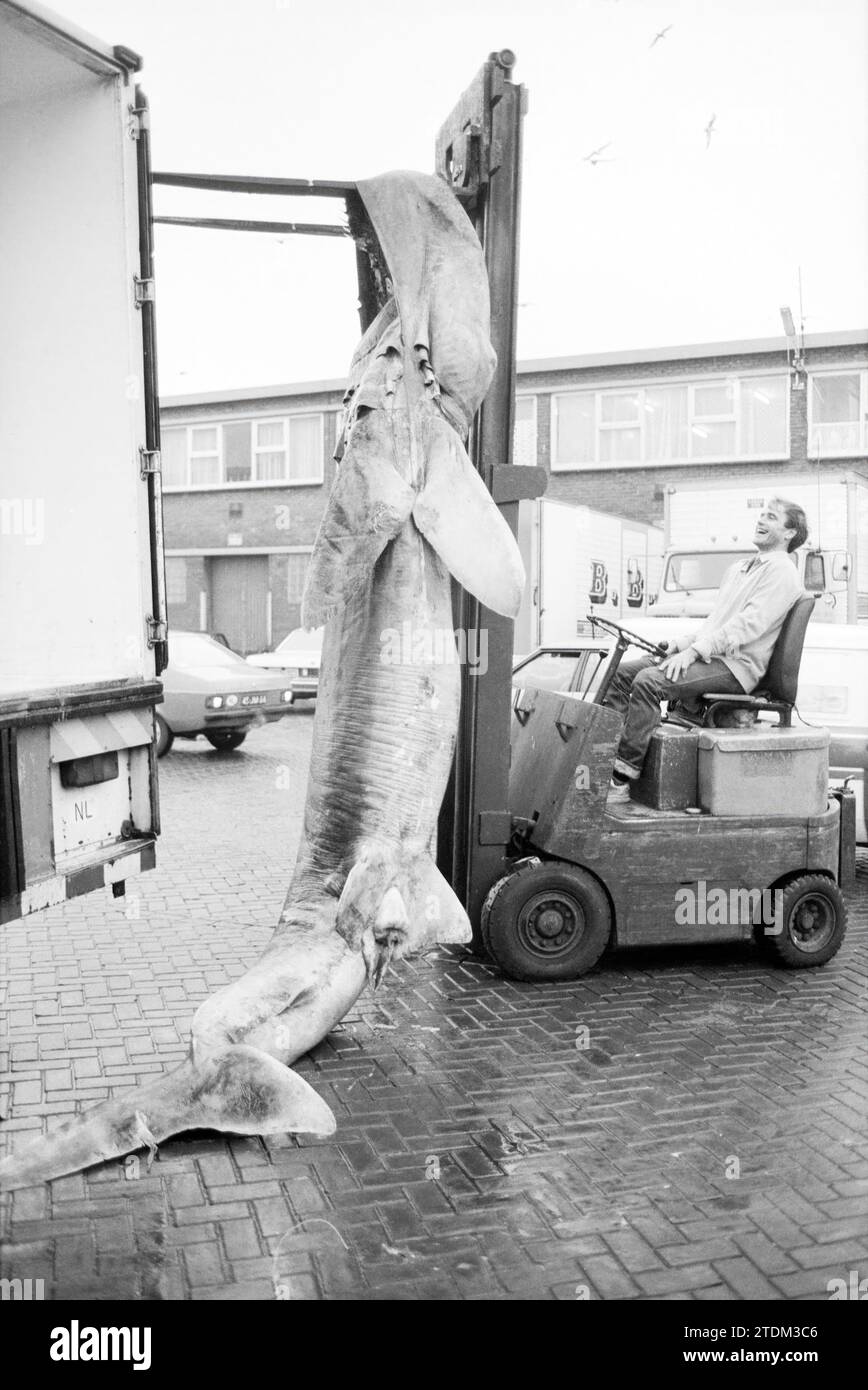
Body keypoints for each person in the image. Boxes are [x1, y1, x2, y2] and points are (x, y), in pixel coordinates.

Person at [604, 497, 808, 802]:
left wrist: (694, 653)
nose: (761, 520)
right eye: (761, 515)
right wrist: (682, 645)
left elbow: (747, 626)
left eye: (771, 517)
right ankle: (605, 759)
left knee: (648, 682)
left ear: (790, 533)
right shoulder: (742, 569)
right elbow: (715, 624)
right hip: (715, 655)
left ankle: (622, 777)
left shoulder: (781, 572)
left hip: (736, 667)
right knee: (620, 674)